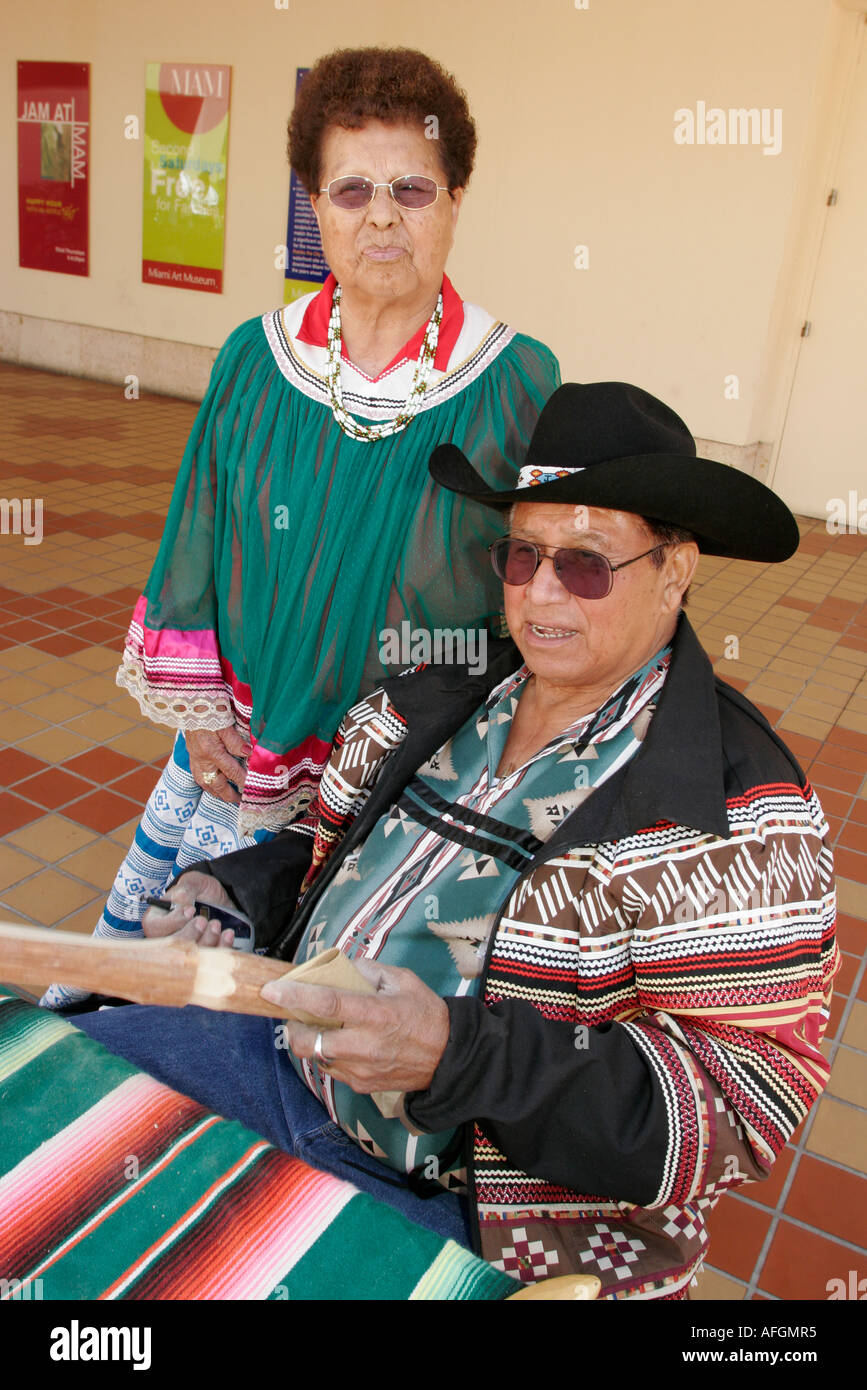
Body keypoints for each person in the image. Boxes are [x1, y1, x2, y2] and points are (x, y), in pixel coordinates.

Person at [73, 382, 839, 1298]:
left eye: (586, 564)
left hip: (469, 1211)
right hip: (277, 1064)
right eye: (521, 555)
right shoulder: (436, 695)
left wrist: (454, 1054)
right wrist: (232, 894)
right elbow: (331, 857)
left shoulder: (735, 812)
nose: (541, 593)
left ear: (675, 570)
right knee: (54, 1119)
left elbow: (741, 1108)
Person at [43, 47, 560, 1009]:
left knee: (330, 1025)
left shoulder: (515, 381)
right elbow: (197, 535)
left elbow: (538, 589)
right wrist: (199, 719)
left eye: (412, 187)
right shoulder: (255, 358)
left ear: (453, 200)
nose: (381, 216)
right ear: (314, 205)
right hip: (243, 757)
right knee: (171, 999)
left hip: (404, 775)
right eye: (350, 188)